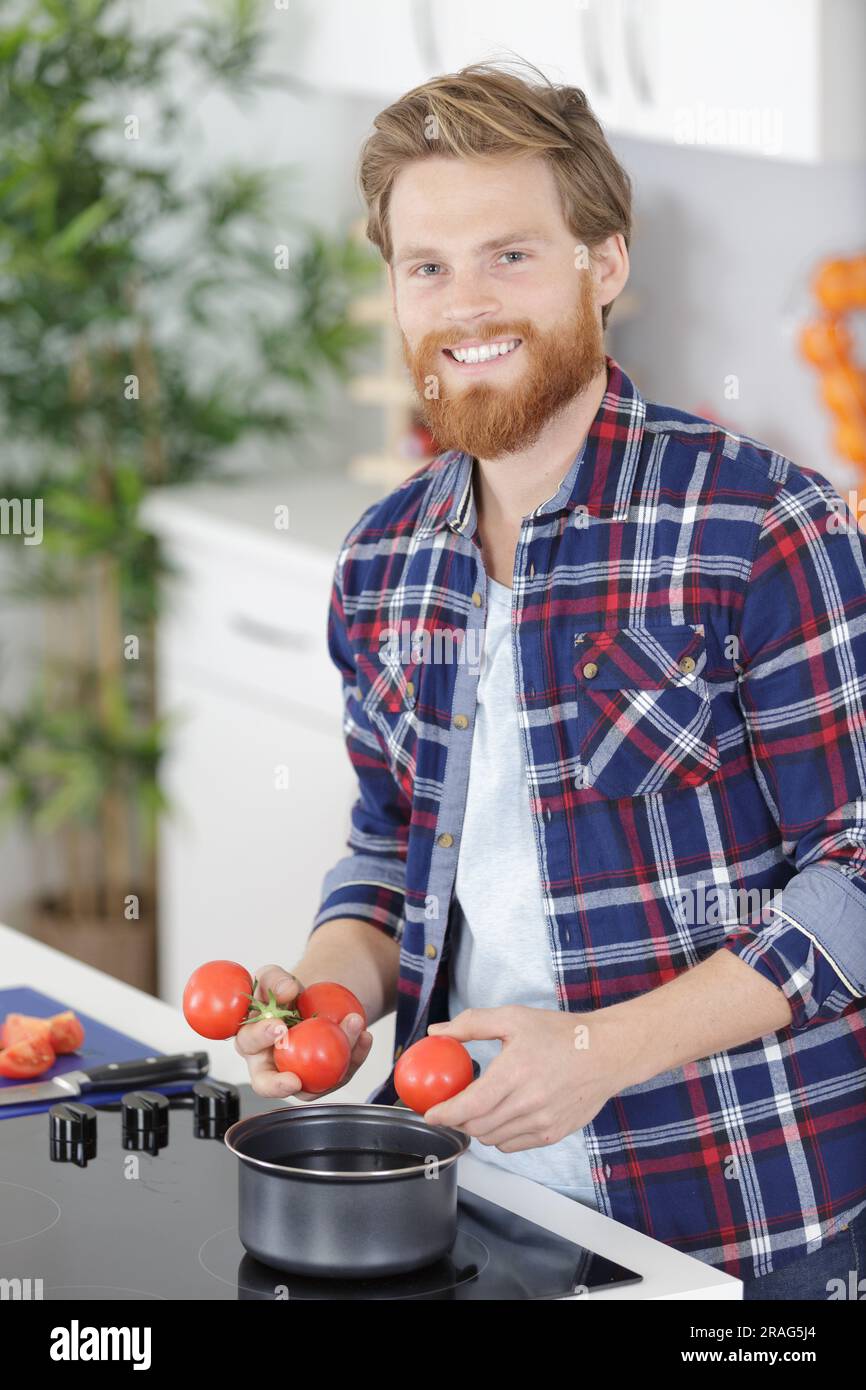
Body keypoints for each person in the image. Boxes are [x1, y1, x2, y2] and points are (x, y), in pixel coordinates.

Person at [237, 61, 866, 1298]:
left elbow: (854, 867)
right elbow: (389, 844)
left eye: (509, 256)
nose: (464, 303)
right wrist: (323, 1000)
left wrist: (598, 1052)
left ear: (604, 263)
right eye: (426, 267)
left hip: (740, 1222)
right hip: (468, 1187)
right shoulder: (379, 561)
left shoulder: (763, 524)